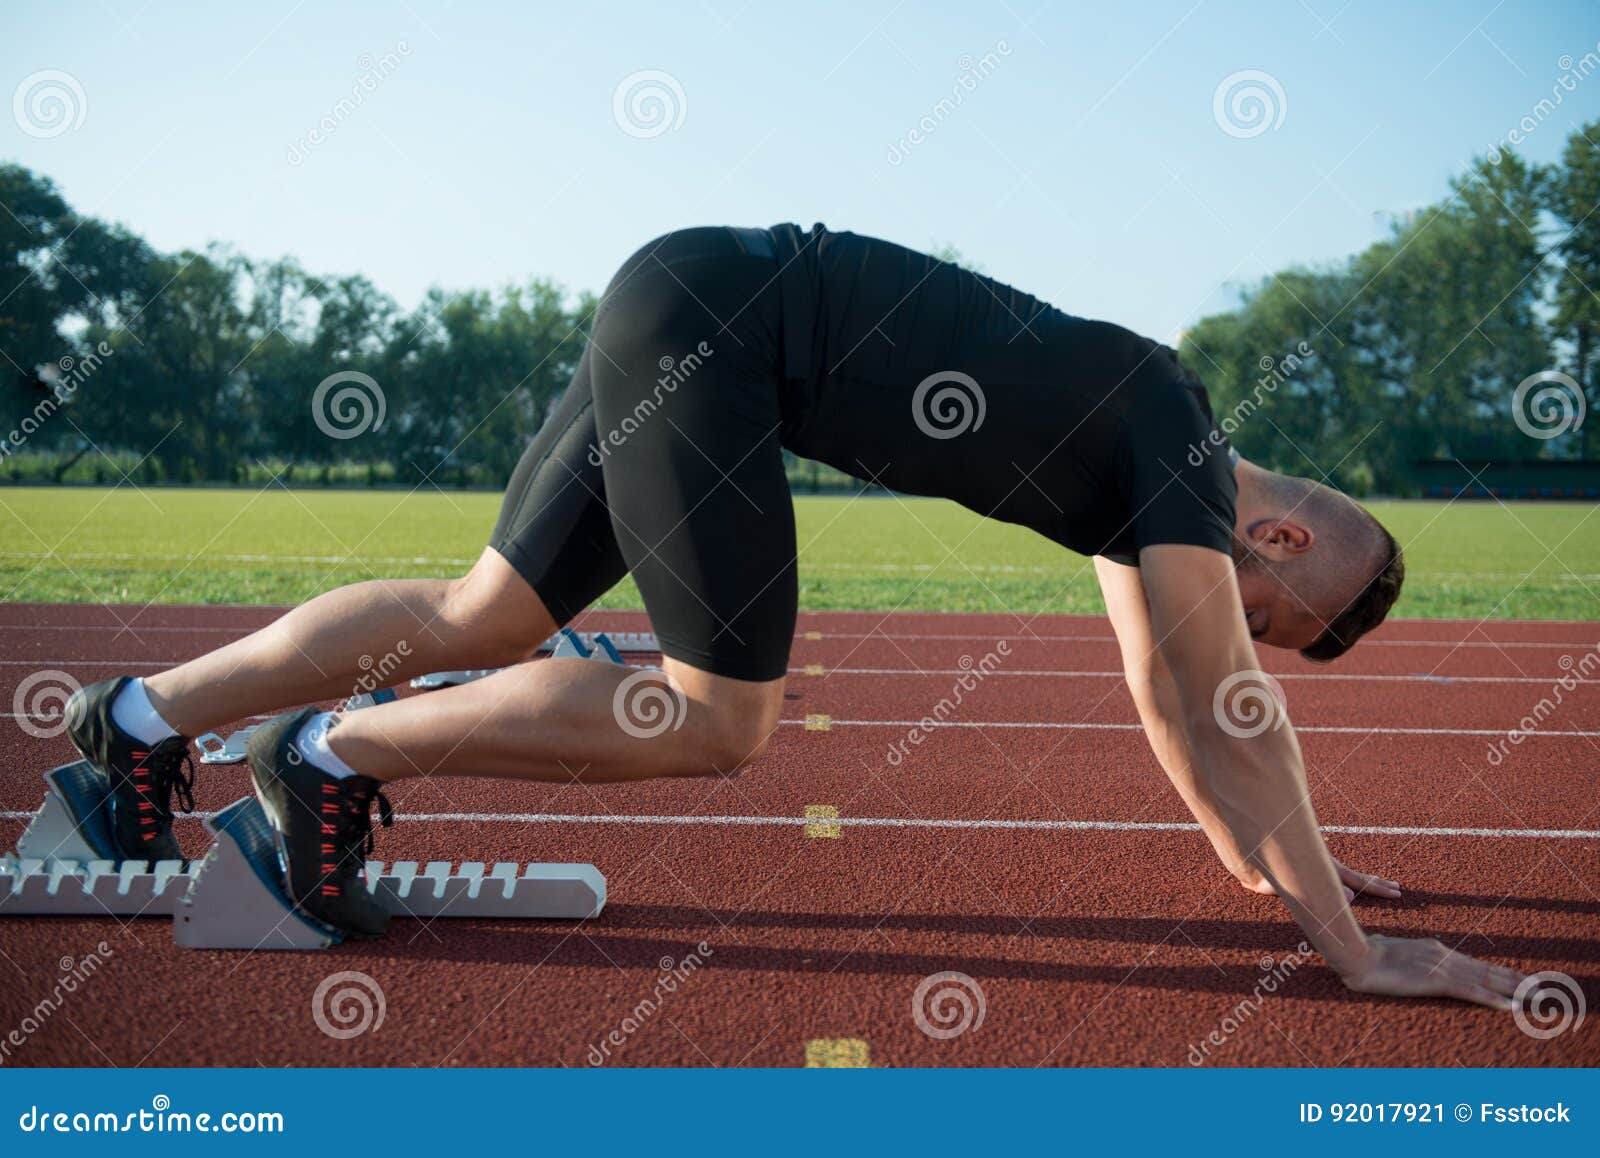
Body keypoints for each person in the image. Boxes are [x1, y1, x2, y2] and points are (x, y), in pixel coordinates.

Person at [63, 224, 1525, 1010]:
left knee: (487, 608)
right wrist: (1352, 947)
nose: (1244, 632)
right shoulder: (1183, 461)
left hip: (684, 290)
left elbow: (1169, 691)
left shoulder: (1156, 445)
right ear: (1277, 537)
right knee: (719, 717)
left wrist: (1257, 862)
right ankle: (322, 755)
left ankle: (133, 724)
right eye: (1271, 616)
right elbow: (1224, 698)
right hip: (720, 337)